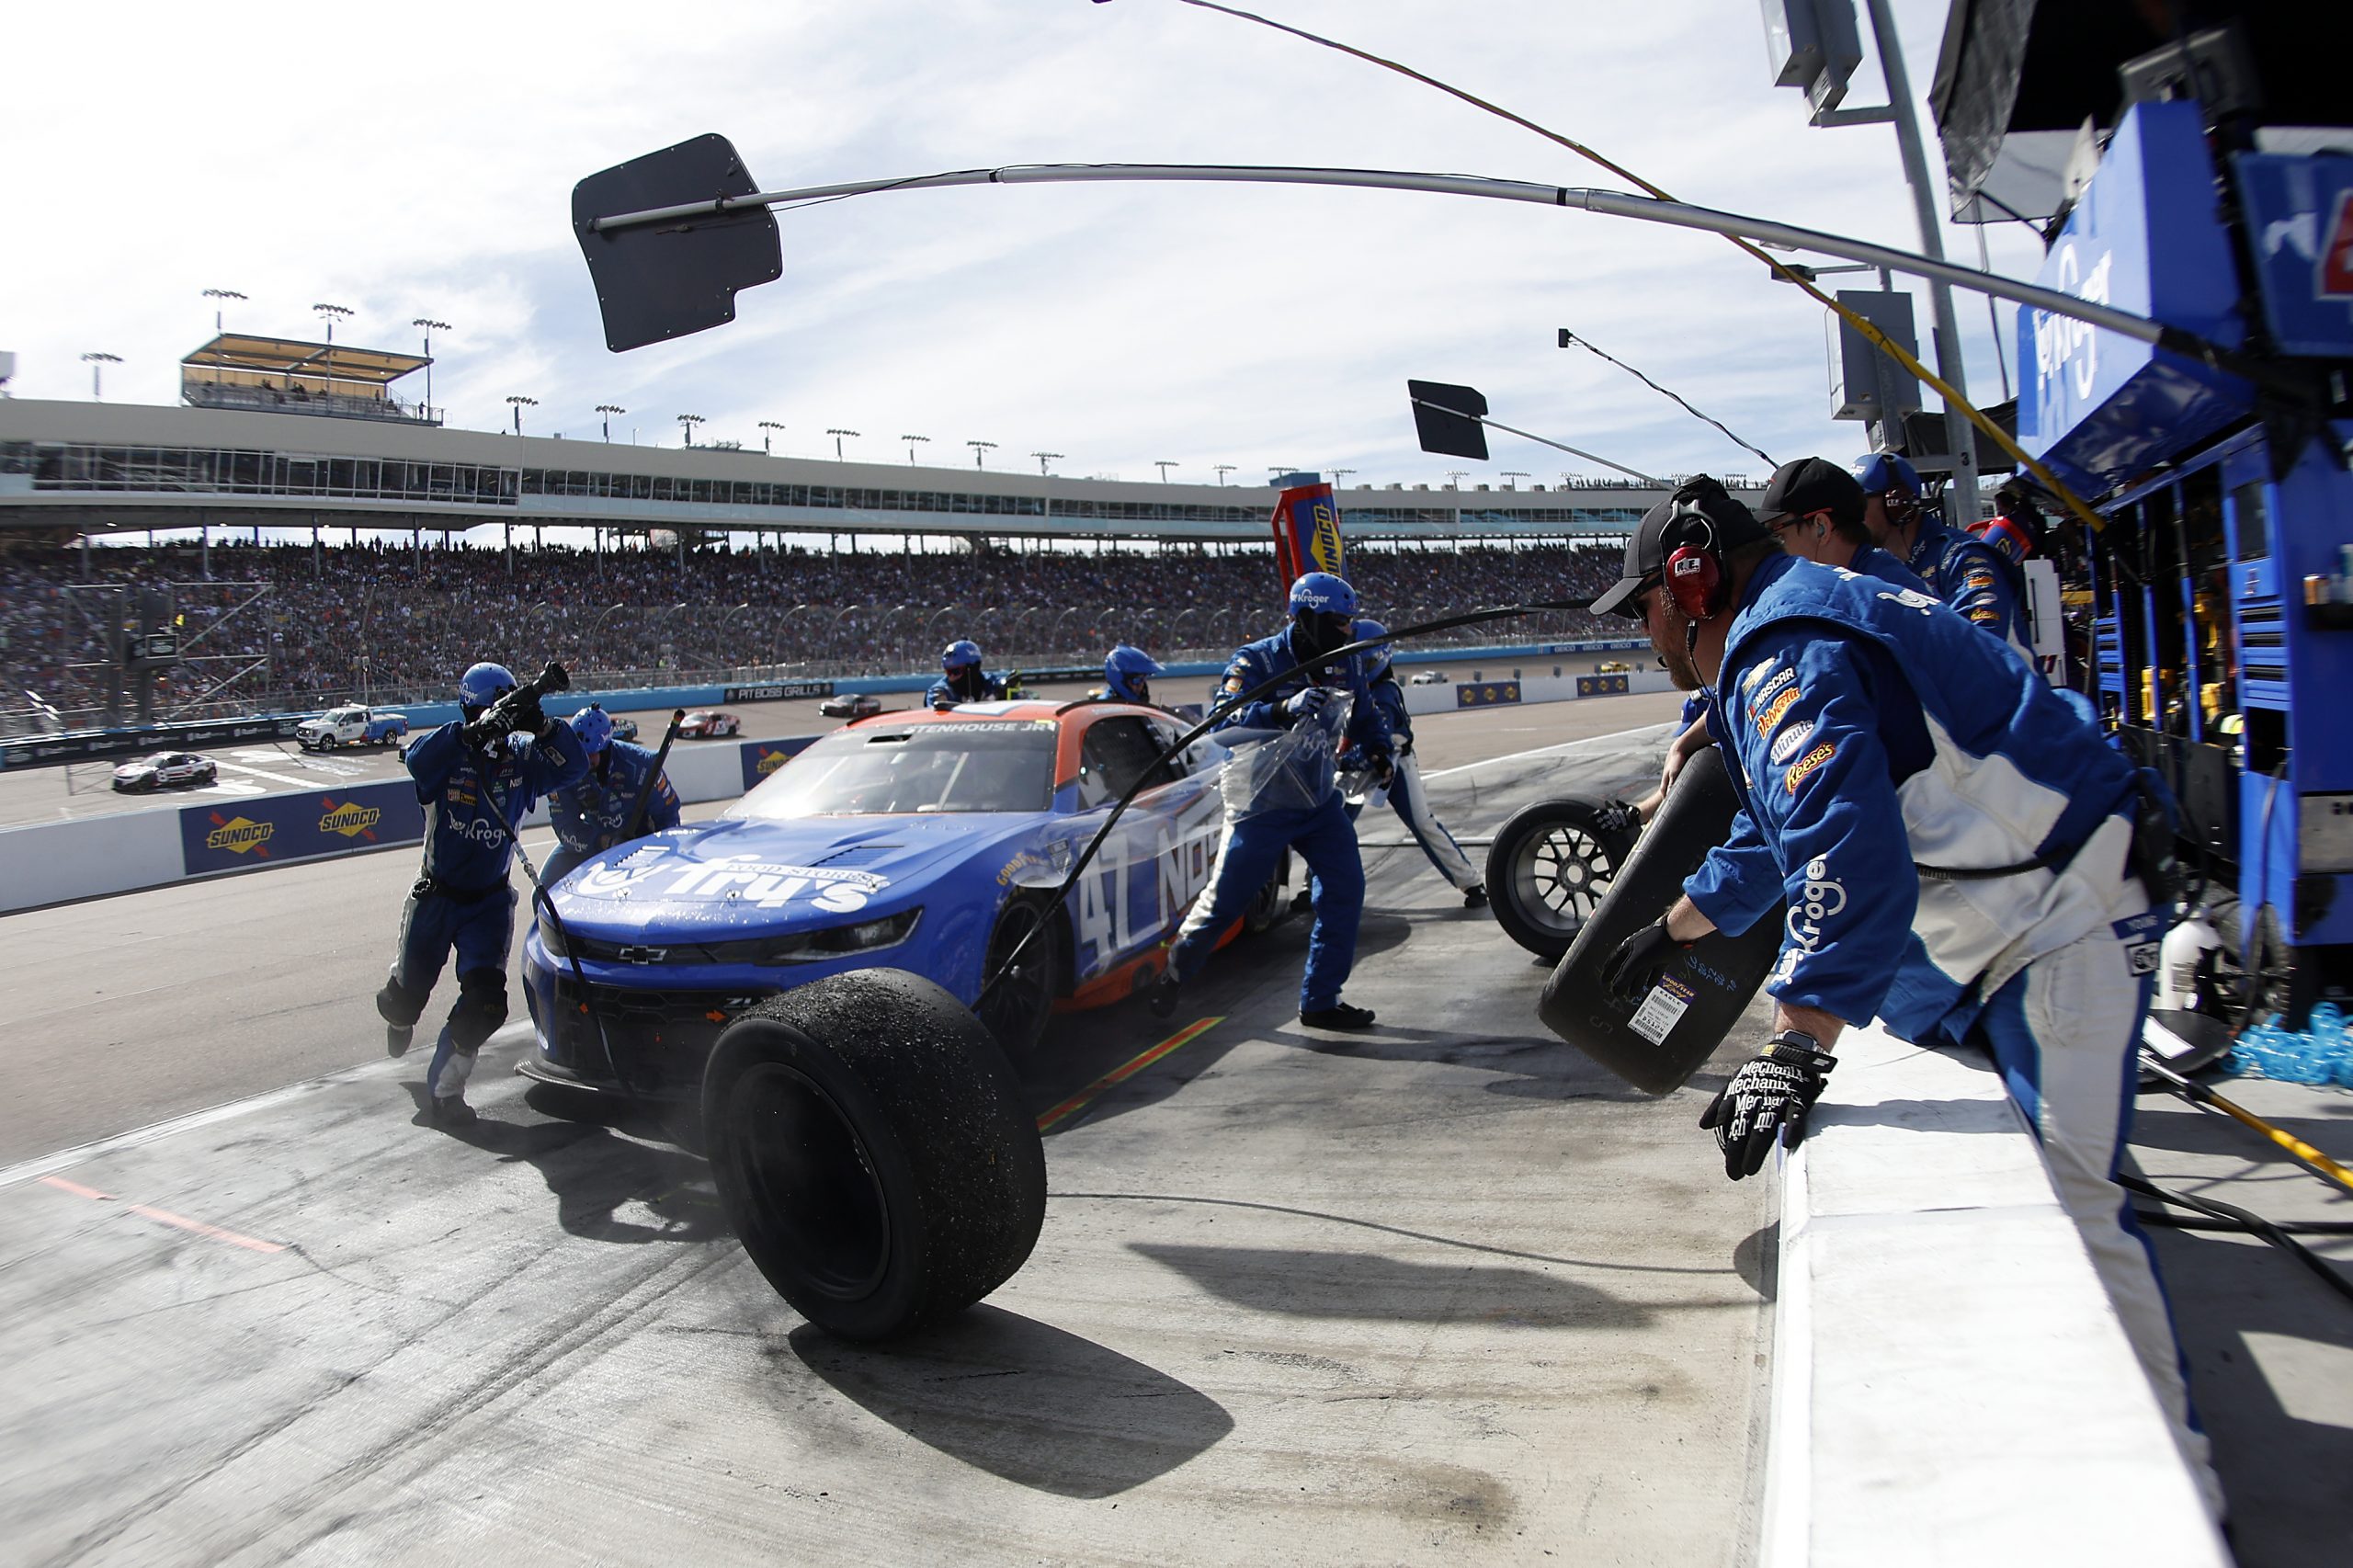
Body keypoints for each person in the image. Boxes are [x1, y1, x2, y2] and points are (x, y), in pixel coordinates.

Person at [1585, 497, 2215, 1506]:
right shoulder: (1792, 622)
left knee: (2078, 1214)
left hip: (2062, 919)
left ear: (1691, 579)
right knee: (2073, 1205)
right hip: (2030, 921)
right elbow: (1784, 832)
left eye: (1644, 606)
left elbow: (1845, 849)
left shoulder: (1781, 650)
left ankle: (2180, 1497)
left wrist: (1794, 1044)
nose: (1644, 631)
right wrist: (1674, 925)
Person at [1152, 571, 1375, 1030]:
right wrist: (1280, 709)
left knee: (1346, 889)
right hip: (1261, 804)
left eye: (1351, 622)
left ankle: (1320, 1000)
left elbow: (1366, 715)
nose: (1348, 630)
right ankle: (1174, 972)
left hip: (1319, 801)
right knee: (1225, 903)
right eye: (1339, 621)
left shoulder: (1348, 660)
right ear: (1306, 616)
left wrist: (1379, 751)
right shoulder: (1256, 660)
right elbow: (1219, 726)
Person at [375, 661, 589, 1124]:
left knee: (487, 1003)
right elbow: (417, 761)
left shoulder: (522, 760)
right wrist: (470, 734)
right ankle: (399, 1010)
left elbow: (575, 766)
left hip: (489, 903)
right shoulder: (447, 753)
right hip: (436, 896)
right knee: (407, 997)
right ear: (469, 709)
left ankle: (445, 1093)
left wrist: (544, 726)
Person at [1344, 618, 1485, 907]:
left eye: (1361, 662)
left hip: (1394, 763)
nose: (1355, 668)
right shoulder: (1354, 688)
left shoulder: (1384, 693)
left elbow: (1381, 739)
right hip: (1360, 763)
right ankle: (1312, 887)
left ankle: (1472, 883)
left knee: (1422, 822)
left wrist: (1343, 760)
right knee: (1334, 825)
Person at [1855, 451, 2032, 658]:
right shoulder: (1885, 568)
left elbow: (1980, 651)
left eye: (1860, 503)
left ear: (1898, 503)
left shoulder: (1962, 556)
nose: (1852, 515)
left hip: (2009, 688)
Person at [544, 704, 682, 885]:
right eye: (579, 754)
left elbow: (668, 815)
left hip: (640, 846)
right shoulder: (565, 770)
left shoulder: (642, 765)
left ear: (604, 748)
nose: (583, 762)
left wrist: (657, 854)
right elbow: (565, 826)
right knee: (543, 892)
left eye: (590, 754)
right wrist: (605, 842)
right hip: (592, 841)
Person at [1757, 457, 1930, 591]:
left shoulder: (1870, 601)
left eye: (1778, 535)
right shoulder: (1869, 579)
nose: (1772, 552)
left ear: (1821, 528)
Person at [926, 640, 1006, 710]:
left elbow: (1005, 684)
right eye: (948, 672)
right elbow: (935, 716)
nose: (951, 676)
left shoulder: (990, 681)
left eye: (956, 671)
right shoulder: (939, 692)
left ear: (972, 669)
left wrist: (1006, 689)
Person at [1097, 644, 1162, 705]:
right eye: (1136, 680)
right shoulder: (1105, 710)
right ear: (1118, 680)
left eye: (1143, 679)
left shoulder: (1132, 706)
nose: (1141, 685)